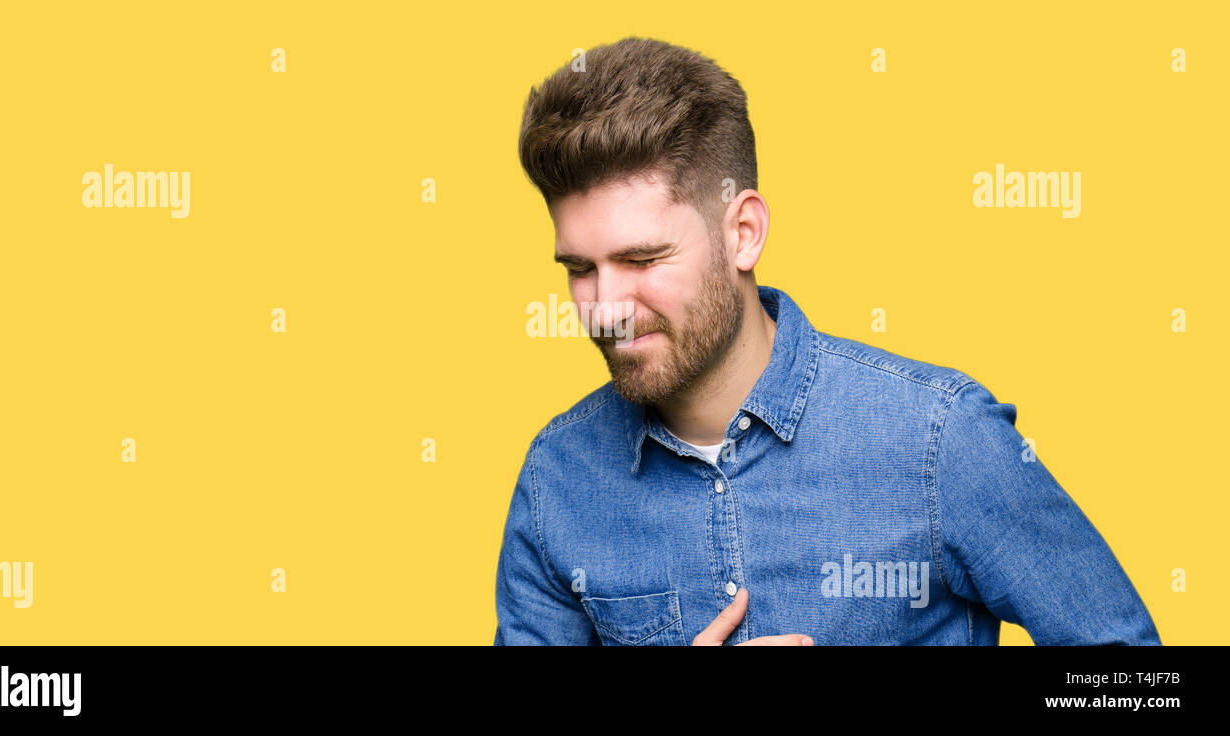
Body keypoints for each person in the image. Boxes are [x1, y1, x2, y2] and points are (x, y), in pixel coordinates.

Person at [494, 36, 1160, 645]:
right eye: (580, 269)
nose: (605, 309)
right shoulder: (558, 479)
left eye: (641, 261)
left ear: (743, 233)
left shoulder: (939, 440)